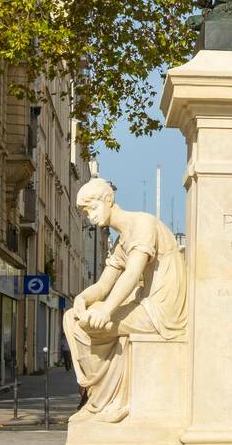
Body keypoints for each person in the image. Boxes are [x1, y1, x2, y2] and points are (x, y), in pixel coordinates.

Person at [65, 178, 187, 422]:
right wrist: (83, 297)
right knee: (71, 316)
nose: (90, 217)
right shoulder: (121, 242)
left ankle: (107, 400)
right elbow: (103, 285)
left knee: (86, 325)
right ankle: (97, 395)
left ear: (108, 200)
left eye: (92, 208)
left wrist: (106, 311)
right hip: (144, 305)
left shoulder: (143, 224)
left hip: (161, 309)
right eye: (86, 212)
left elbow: (132, 273)